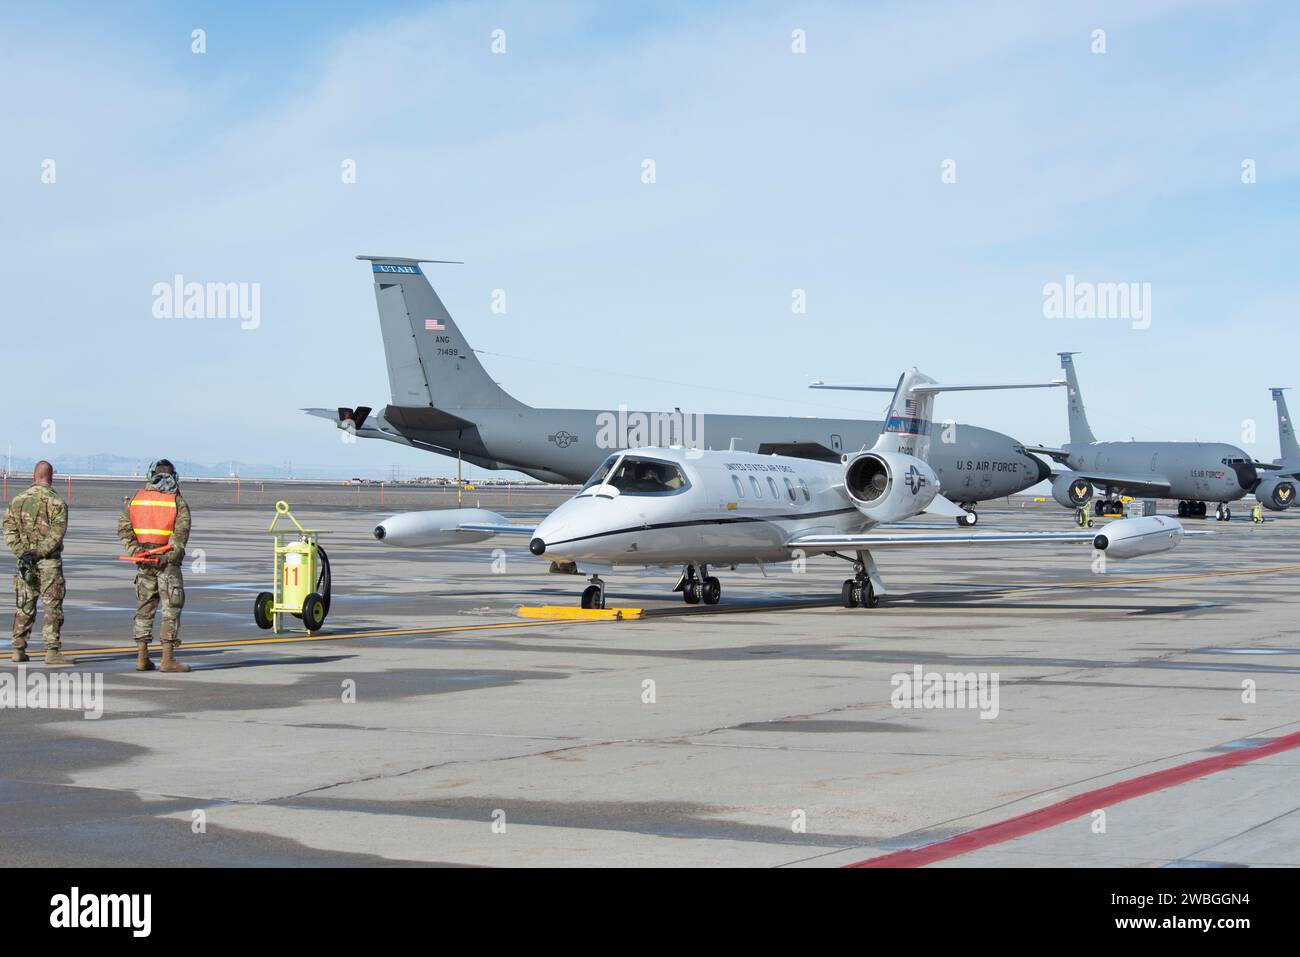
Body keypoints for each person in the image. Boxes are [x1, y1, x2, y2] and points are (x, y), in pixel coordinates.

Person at [118, 459, 191, 673]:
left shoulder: (136, 500)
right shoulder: (177, 502)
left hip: (143, 563)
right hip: (166, 564)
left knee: (145, 608)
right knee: (171, 609)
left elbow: (124, 529)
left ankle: (142, 657)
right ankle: (167, 659)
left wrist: (136, 552)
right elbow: (180, 537)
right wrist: (167, 557)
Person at [2, 461, 70, 665]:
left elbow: (9, 530)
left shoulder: (17, 501)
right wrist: (39, 552)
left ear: (34, 475)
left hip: (25, 563)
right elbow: (57, 534)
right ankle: (51, 651)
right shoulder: (56, 502)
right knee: (52, 607)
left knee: (24, 605)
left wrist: (23, 553)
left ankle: (18, 648)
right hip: (48, 562)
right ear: (50, 476)